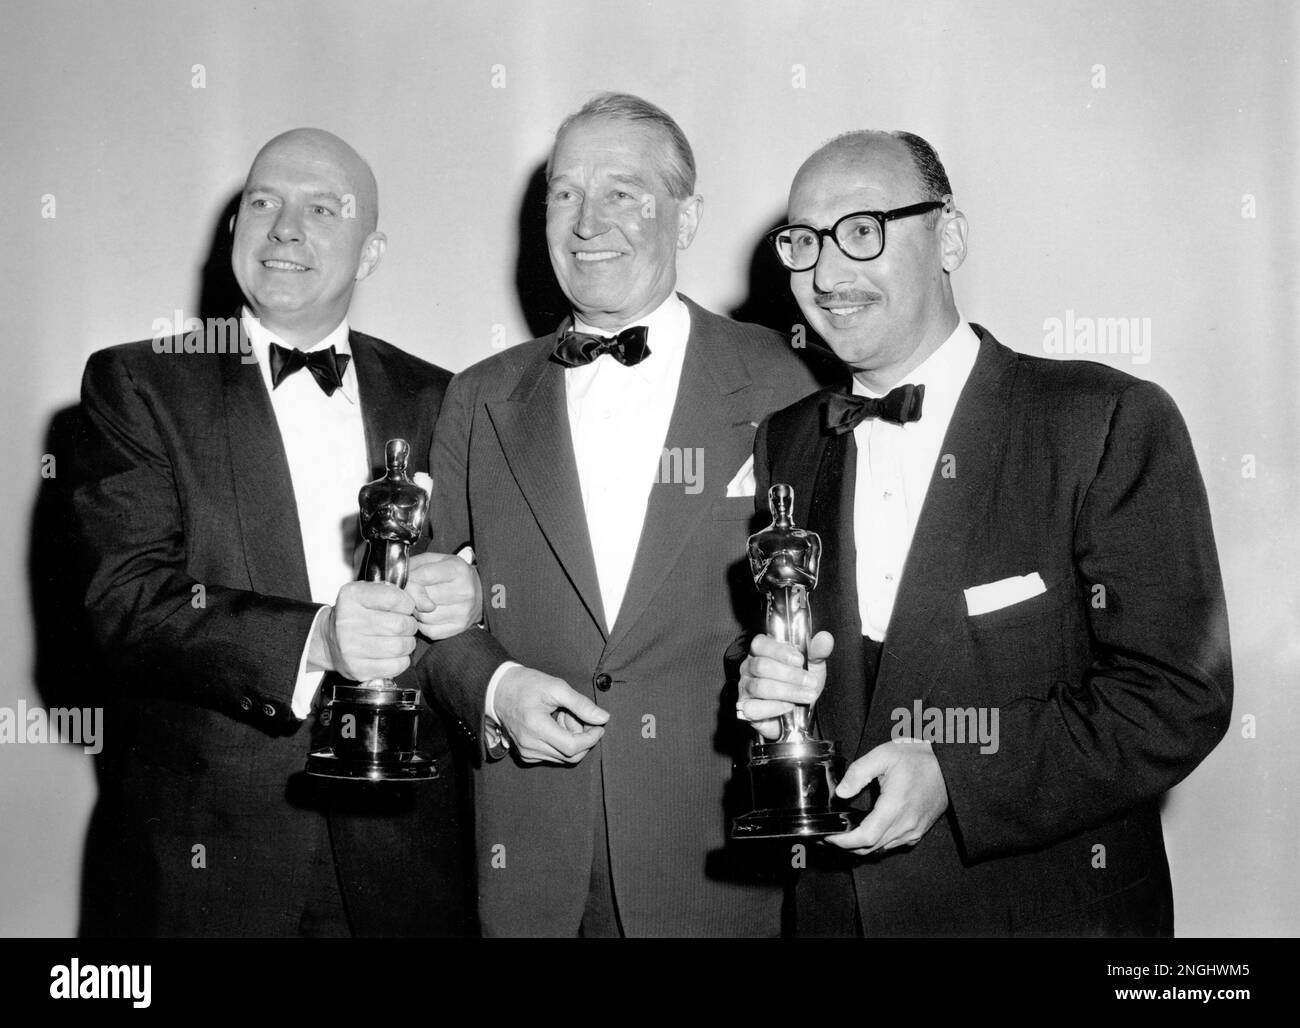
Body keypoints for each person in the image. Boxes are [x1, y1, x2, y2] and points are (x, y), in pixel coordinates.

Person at [737, 130, 1232, 936]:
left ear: (950, 237)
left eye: (863, 230)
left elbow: (1177, 697)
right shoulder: (788, 439)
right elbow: (792, 641)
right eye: (801, 243)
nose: (826, 275)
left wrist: (957, 777)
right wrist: (762, 688)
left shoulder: (1103, 419)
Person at [416, 93, 836, 936]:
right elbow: (422, 610)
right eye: (564, 194)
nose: (585, 221)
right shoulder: (481, 396)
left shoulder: (789, 384)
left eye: (623, 191)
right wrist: (495, 688)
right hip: (531, 853)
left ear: (687, 218)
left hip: (722, 857)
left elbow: (839, 606)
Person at [75, 128, 479, 937]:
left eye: (322, 209)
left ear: (370, 253)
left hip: (406, 864)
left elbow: (501, 597)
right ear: (235, 231)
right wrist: (317, 641)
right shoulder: (138, 383)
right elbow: (124, 603)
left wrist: (471, 594)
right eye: (264, 202)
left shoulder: (446, 395)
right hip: (205, 864)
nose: (286, 228)